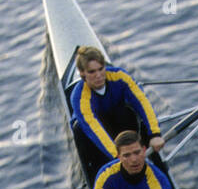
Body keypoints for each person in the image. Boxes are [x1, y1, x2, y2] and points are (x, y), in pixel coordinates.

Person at [70, 46, 165, 175]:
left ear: (105, 67)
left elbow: (143, 103)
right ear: (82, 73)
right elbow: (95, 129)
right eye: (92, 72)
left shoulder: (120, 77)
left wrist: (155, 134)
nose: (98, 75)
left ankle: (155, 163)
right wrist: (117, 157)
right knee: (78, 128)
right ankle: (94, 179)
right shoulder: (79, 97)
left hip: (119, 124)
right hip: (96, 136)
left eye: (101, 69)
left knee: (129, 111)